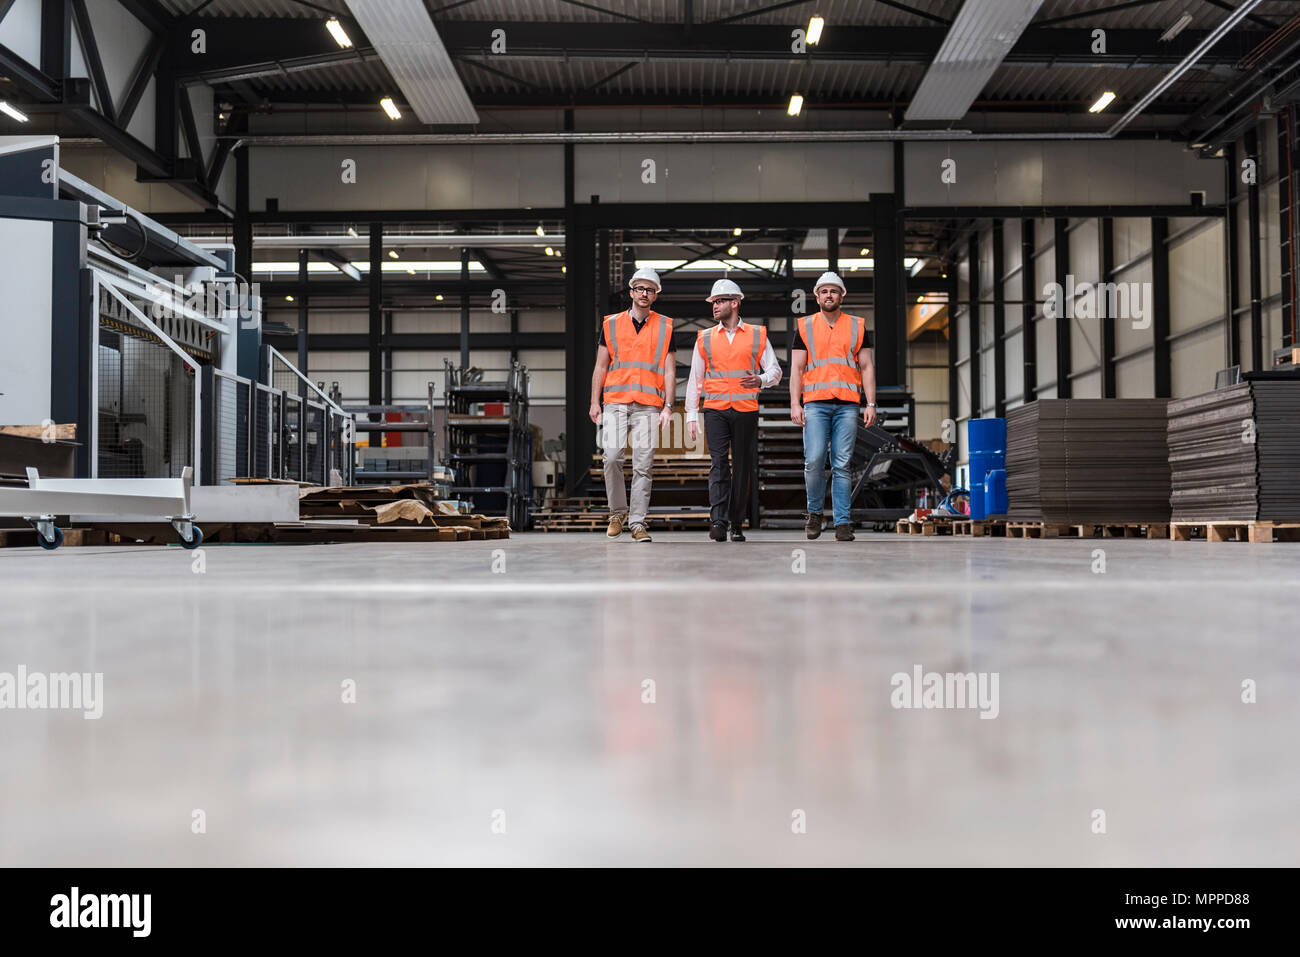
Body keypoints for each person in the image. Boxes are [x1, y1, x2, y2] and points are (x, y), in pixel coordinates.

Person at [686, 279, 783, 542]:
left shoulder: (756, 334)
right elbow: (695, 379)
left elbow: (775, 370)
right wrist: (692, 415)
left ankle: (736, 523)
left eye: (719, 301)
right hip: (715, 409)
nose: (715, 306)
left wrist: (761, 380)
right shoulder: (704, 338)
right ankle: (718, 521)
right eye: (713, 302)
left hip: (745, 409)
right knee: (719, 465)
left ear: (734, 303)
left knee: (742, 467)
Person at [789, 271, 877, 542]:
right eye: (824, 291)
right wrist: (795, 402)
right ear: (816, 297)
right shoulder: (804, 326)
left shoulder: (858, 326)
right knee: (814, 460)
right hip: (815, 404)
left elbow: (866, 366)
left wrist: (871, 403)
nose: (829, 295)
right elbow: (796, 368)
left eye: (834, 291)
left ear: (842, 296)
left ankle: (842, 523)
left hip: (848, 405)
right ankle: (815, 514)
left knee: (841, 465)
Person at [589, 267, 675, 543]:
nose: (644, 293)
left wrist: (669, 406)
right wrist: (594, 402)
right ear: (631, 291)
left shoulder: (665, 326)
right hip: (615, 401)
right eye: (640, 288)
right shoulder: (611, 324)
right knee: (611, 457)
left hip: (650, 405)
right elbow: (600, 366)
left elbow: (670, 370)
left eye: (650, 289)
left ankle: (638, 522)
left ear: (656, 295)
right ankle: (617, 513)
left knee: (643, 466)